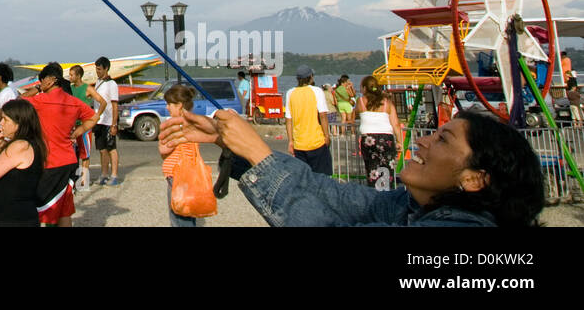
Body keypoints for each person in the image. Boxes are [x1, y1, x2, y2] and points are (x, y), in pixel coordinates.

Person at [168, 108, 543, 227]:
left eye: (443, 139)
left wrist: (261, 155)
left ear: (475, 179)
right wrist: (240, 145)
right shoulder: (410, 206)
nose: (423, 140)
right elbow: (331, 194)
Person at [22, 62, 98, 226]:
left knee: (48, 211)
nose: (40, 83)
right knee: (64, 210)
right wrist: (79, 131)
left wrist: (36, 89)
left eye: (41, 80)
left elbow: (16, 105)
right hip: (69, 161)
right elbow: (93, 117)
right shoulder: (72, 101)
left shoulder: (39, 101)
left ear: (50, 80)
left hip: (49, 162)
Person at [0, 98, 45, 227]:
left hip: (12, 218)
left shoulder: (20, 145)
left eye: (5, 119)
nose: (1, 123)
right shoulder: (31, 144)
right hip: (14, 216)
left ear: (18, 123)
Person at [158, 84, 203, 227]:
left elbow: (163, 149)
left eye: (169, 104)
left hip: (177, 175)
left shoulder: (174, 124)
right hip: (190, 174)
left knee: (178, 216)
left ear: (180, 105)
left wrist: (162, 141)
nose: (167, 107)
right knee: (187, 214)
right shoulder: (193, 123)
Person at [355, 76, 403, 190]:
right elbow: (395, 124)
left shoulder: (361, 101)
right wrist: (400, 141)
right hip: (386, 138)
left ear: (365, 88)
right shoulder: (387, 103)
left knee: (372, 169)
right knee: (388, 169)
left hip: (368, 138)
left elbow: (355, 114)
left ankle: (374, 193)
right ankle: (387, 192)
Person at [285, 65, 332, 175]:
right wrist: (327, 135)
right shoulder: (317, 91)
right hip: (316, 141)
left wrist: (290, 141)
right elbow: (323, 116)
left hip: (299, 143)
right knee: (322, 176)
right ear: (311, 77)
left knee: (304, 177)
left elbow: (288, 120)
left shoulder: (290, 93)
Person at [92, 56, 121, 185]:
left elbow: (115, 105)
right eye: (96, 69)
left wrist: (114, 124)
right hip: (99, 121)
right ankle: (104, 174)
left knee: (111, 148)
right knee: (102, 149)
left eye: (99, 69)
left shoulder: (112, 84)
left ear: (106, 68)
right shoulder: (98, 82)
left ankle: (114, 175)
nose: (97, 71)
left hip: (109, 121)